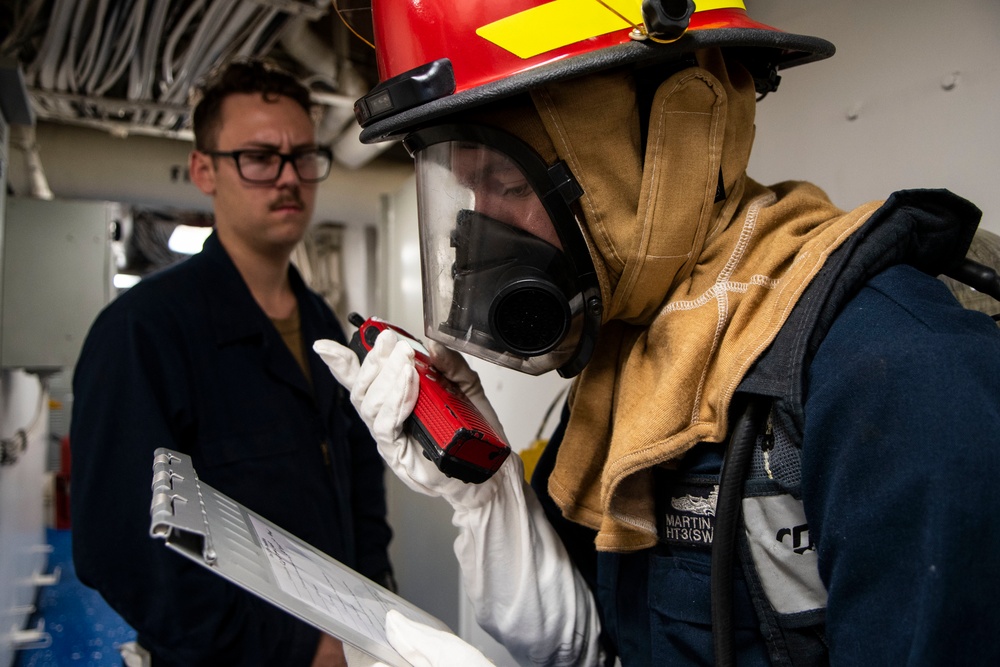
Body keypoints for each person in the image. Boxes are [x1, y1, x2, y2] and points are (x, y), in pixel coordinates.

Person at [316, 1, 1000, 666]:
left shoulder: (897, 374)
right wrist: (490, 497)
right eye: (469, 191)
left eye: (505, 181)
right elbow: (598, 644)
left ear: (678, 132)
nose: (481, 228)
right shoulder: (627, 368)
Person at [70, 58, 394, 667]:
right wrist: (300, 650)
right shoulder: (144, 331)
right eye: (258, 156)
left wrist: (378, 604)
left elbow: (358, 489)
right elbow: (122, 552)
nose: (287, 177)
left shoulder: (323, 323)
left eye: (302, 155)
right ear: (204, 171)